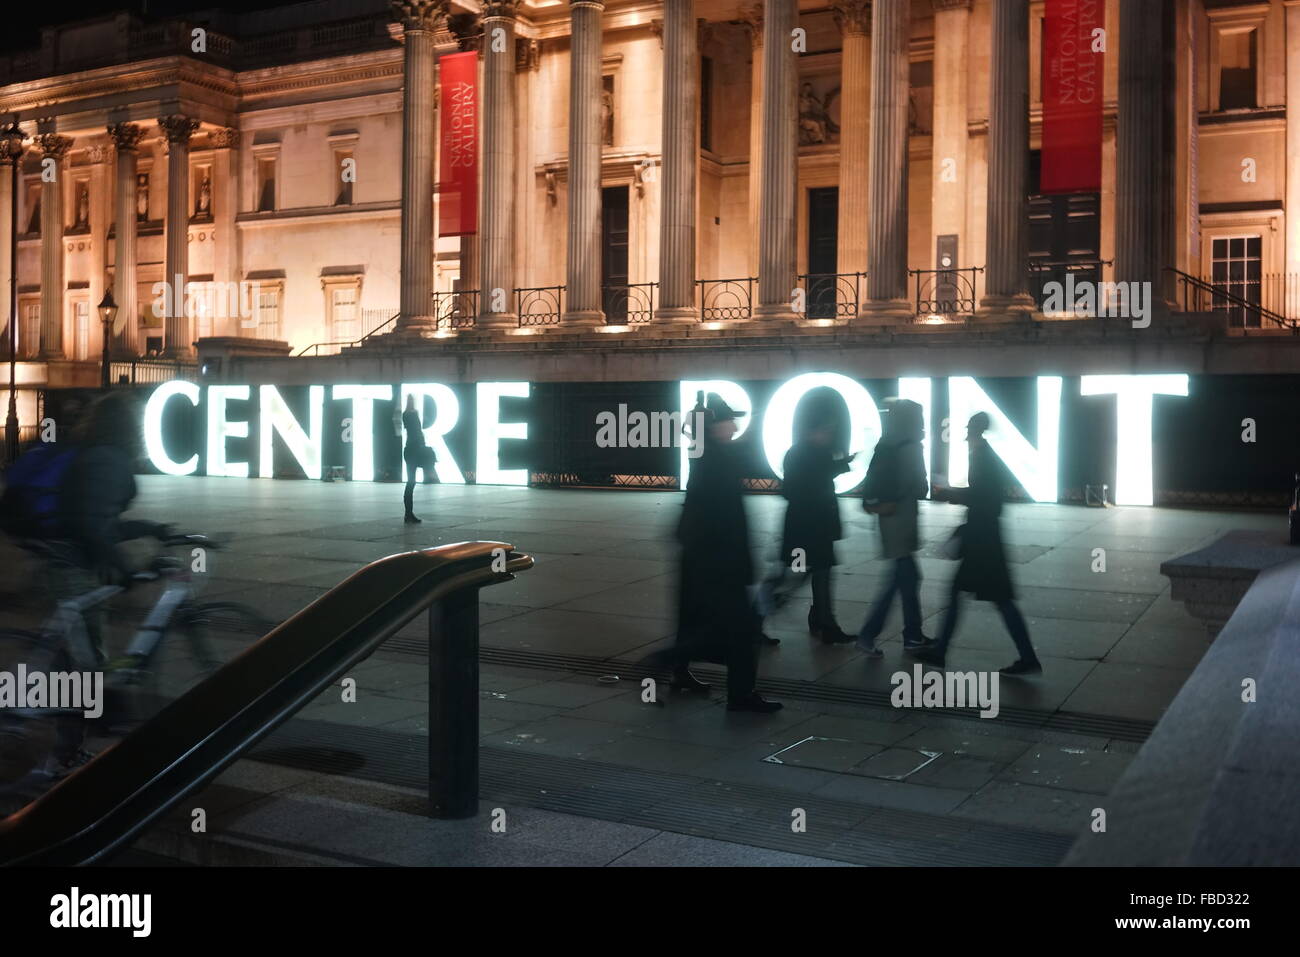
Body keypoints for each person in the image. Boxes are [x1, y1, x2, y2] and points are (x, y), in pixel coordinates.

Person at [648, 392, 781, 714]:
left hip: (702, 558)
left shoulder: (708, 455)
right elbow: (726, 519)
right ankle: (737, 694)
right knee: (741, 631)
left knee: (694, 619)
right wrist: (741, 564)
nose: (734, 426)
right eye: (729, 420)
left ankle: (678, 671)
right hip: (720, 562)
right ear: (714, 426)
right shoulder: (717, 460)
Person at [913, 412, 1042, 676]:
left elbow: (985, 498)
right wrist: (960, 496)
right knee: (998, 600)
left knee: (965, 594)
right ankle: (1026, 657)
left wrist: (955, 494)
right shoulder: (985, 456)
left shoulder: (982, 458)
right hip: (986, 539)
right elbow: (991, 498)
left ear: (972, 432)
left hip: (982, 541)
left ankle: (941, 652)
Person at [759, 411, 854, 643]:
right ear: (813, 431)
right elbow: (802, 487)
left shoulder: (804, 452)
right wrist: (838, 466)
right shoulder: (806, 454)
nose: (829, 435)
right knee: (793, 575)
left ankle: (825, 622)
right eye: (826, 430)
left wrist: (838, 465)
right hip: (807, 531)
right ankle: (755, 619)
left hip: (810, 531)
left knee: (816, 573)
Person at [856, 398, 930, 658]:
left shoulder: (887, 442)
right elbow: (921, 487)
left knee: (907, 579)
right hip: (902, 520)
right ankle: (871, 634)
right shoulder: (911, 446)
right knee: (900, 580)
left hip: (887, 519)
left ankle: (912, 634)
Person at [401, 394, 436, 524]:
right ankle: (408, 513)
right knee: (411, 481)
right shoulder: (411, 414)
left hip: (411, 449)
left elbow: (414, 431)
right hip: (413, 450)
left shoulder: (407, 414)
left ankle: (408, 513)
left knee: (411, 481)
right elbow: (416, 431)